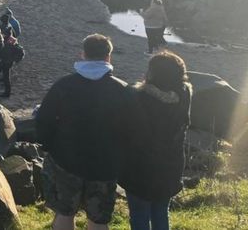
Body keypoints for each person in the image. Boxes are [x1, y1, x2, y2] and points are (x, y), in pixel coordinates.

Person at [36, 34, 132, 230]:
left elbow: (44, 120)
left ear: (83, 54)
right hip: (104, 165)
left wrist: (48, 146)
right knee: (98, 219)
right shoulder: (122, 90)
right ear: (108, 57)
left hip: (66, 160)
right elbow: (131, 130)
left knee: (65, 213)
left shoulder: (64, 85)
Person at [120, 51, 191, 230]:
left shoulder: (137, 96)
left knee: (139, 214)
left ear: (152, 73)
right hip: (170, 165)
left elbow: (126, 131)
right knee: (160, 212)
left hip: (139, 168)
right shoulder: (185, 95)